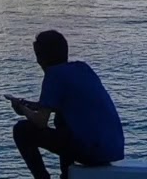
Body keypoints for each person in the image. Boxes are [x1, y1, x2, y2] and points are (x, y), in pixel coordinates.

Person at [9, 30, 125, 179]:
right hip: (112, 148)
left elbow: (41, 122)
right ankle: (66, 176)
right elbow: (66, 104)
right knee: (63, 118)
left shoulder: (54, 75)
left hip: (91, 151)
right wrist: (31, 106)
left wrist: (22, 109)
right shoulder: (83, 68)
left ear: (40, 57)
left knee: (21, 130)